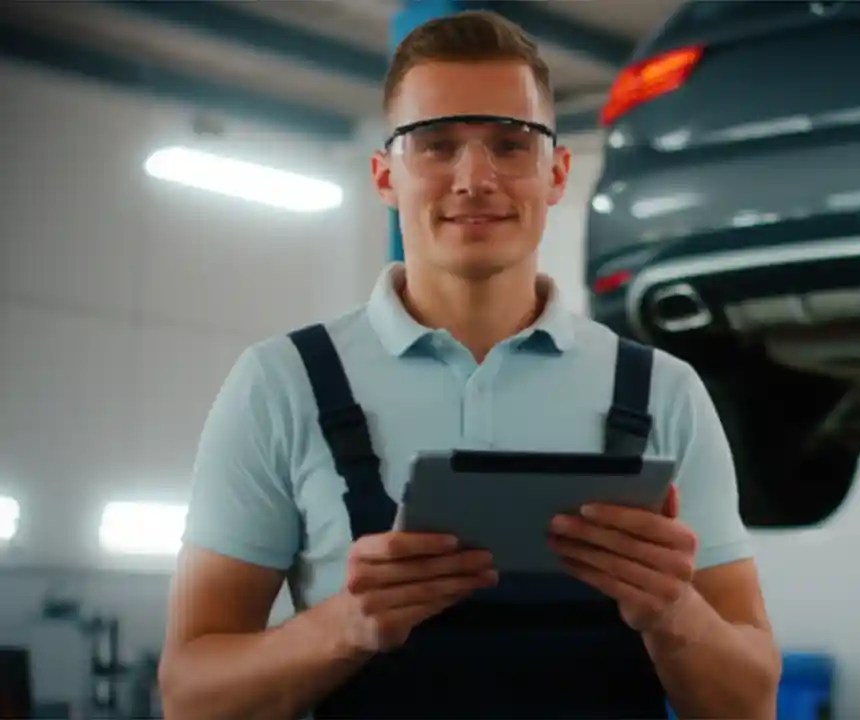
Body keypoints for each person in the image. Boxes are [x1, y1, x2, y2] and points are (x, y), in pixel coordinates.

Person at [157, 9, 782, 720]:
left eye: (511, 144)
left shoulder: (663, 393)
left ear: (557, 173)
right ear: (385, 175)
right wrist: (344, 626)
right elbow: (190, 697)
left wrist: (673, 612)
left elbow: (750, 702)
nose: (474, 178)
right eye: (437, 144)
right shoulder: (282, 384)